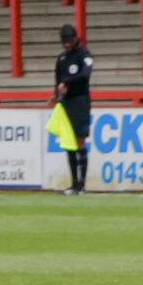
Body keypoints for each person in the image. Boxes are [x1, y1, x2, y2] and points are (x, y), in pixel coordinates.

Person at [52, 24, 94, 194]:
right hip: (66, 103)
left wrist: (67, 82)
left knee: (80, 140)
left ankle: (82, 185)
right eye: (64, 41)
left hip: (80, 101)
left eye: (69, 40)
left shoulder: (84, 55)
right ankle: (74, 183)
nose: (67, 44)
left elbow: (85, 74)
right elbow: (57, 81)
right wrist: (55, 96)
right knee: (68, 142)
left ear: (76, 38)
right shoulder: (62, 59)